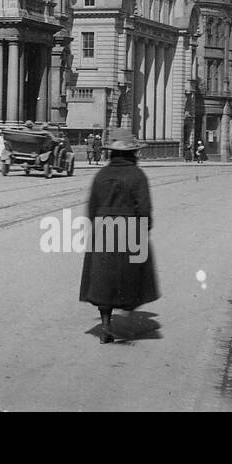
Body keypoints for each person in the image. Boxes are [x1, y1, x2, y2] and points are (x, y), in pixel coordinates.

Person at [79, 127, 159, 344]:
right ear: (132, 153)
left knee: (103, 277)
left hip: (103, 229)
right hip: (130, 228)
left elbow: (91, 207)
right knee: (133, 273)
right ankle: (129, 316)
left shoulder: (101, 175)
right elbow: (144, 207)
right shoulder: (137, 175)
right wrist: (145, 229)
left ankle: (105, 323)